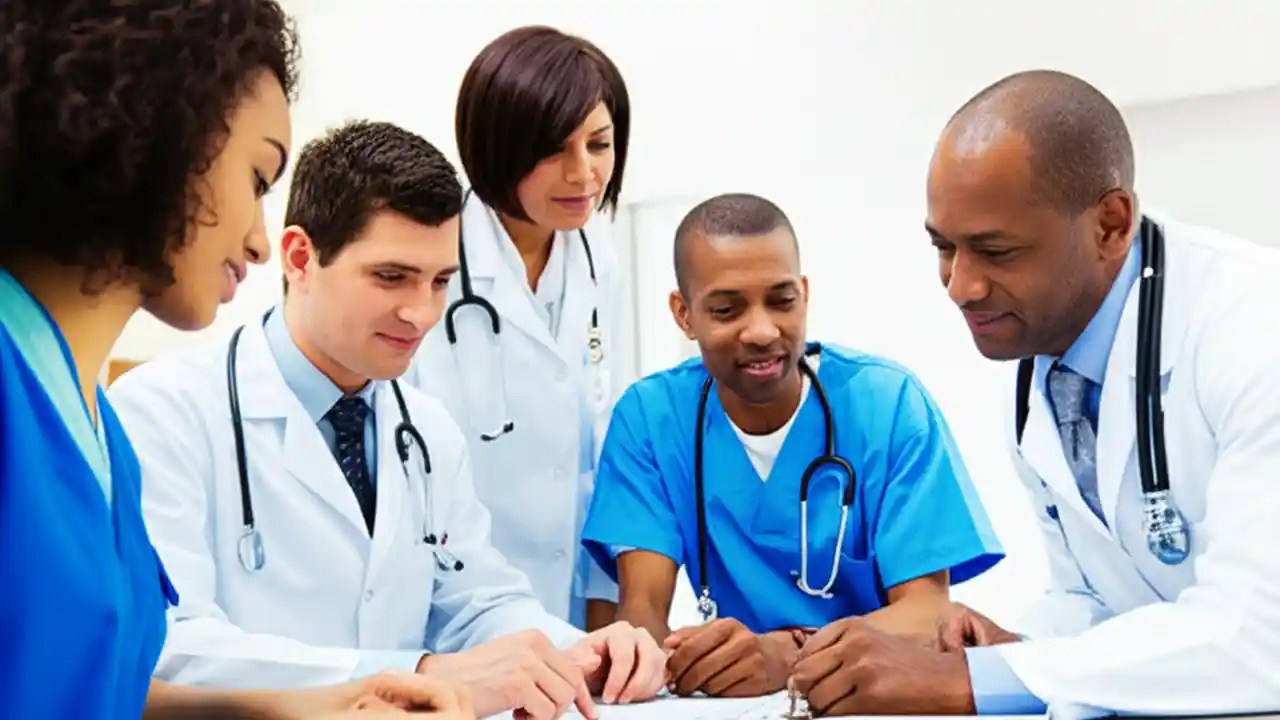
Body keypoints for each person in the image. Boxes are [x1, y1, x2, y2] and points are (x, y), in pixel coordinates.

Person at [0, 1, 474, 718]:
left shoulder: (95, 432)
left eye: (440, 282)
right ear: (155, 135)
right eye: (257, 178)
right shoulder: (36, 400)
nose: (257, 241)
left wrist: (301, 706)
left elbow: (101, 689)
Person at [108, 120, 665, 720]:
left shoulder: (427, 429)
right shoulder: (162, 412)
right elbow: (169, 645)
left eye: (441, 281)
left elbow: (476, 601)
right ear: (300, 257)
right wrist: (407, 675)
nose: (421, 313)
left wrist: (573, 652)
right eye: (391, 277)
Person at [790, 70, 1280, 719]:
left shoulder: (1253, 332)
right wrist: (1009, 644)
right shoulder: (1039, 369)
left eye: (995, 251)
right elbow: (1099, 600)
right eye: (944, 247)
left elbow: (1259, 637)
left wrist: (976, 681)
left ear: (1110, 225)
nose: (960, 287)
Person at [579, 192, 1005, 699]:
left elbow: (927, 611)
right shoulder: (651, 419)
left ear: (804, 294)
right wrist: (663, 658)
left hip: (872, 696)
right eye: (726, 309)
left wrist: (791, 652)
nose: (762, 331)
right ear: (684, 314)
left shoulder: (887, 404)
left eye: (782, 302)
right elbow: (643, 611)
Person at [401, 25, 632, 632]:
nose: (584, 174)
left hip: (573, 599)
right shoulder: (435, 260)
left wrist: (607, 603)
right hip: (453, 608)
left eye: (599, 144)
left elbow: (605, 443)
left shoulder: (598, 258)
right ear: (498, 148)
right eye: (555, 150)